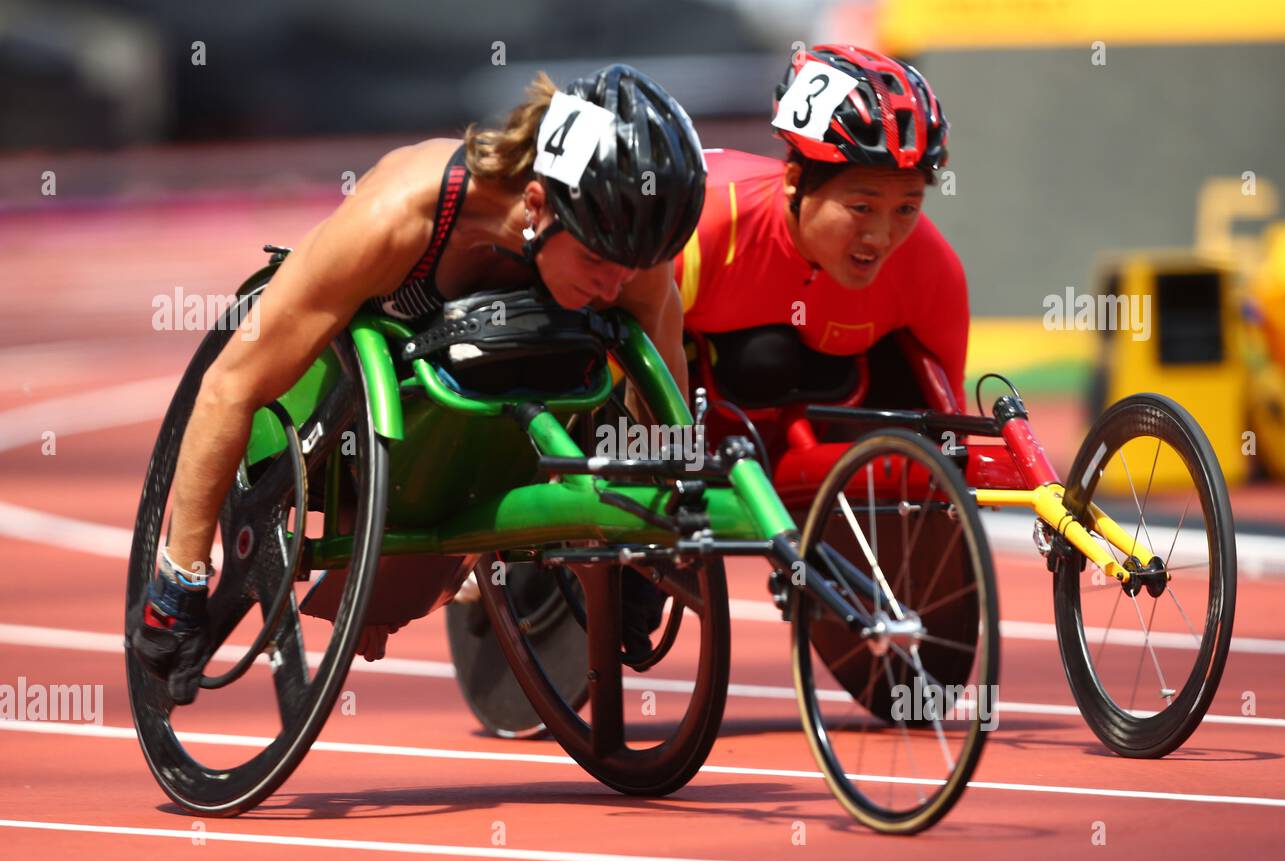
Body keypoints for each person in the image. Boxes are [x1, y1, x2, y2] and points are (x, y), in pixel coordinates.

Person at [129, 64, 708, 703]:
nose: (616, 285)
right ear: (538, 205)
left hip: (499, 414)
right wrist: (178, 580)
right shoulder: (398, 216)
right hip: (365, 426)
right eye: (598, 260)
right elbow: (229, 387)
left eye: (635, 267)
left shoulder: (629, 245)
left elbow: (664, 417)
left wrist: (653, 537)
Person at [673, 44, 968, 412]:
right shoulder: (699, 223)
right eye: (862, 207)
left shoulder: (928, 267)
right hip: (684, 423)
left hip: (826, 434)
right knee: (763, 358)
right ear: (795, 181)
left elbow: (954, 433)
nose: (880, 237)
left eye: (907, 208)